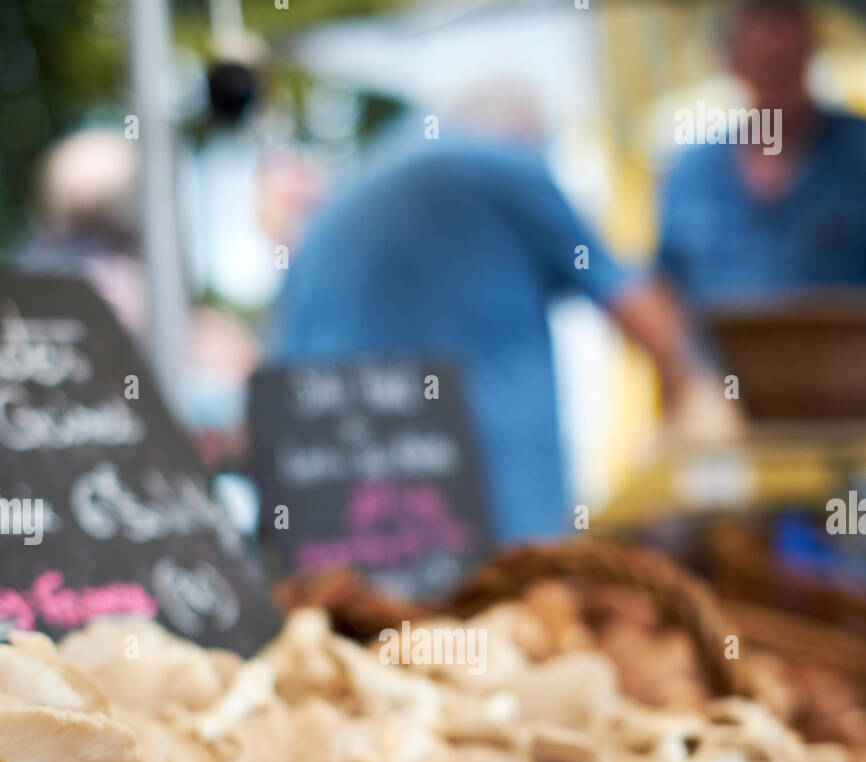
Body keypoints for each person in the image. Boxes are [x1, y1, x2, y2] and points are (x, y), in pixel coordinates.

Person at [273, 140, 698, 543]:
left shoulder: (334, 215)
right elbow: (640, 311)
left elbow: (278, 378)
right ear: (525, 135)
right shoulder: (507, 168)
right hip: (496, 525)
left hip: (334, 525)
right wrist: (694, 402)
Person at [658, 0, 866, 308]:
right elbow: (664, 296)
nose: (773, 41)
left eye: (784, 20)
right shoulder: (692, 174)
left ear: (811, 44)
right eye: (757, 22)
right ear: (730, 56)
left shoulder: (857, 154)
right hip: (721, 355)